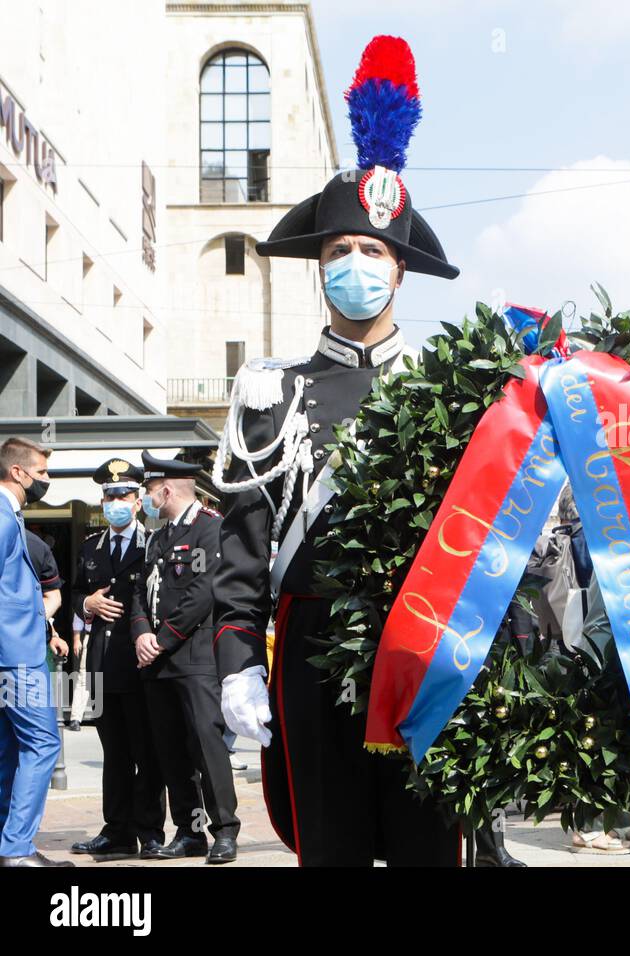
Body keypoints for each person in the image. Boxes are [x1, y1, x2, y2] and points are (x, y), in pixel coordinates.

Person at [212, 36, 462, 867]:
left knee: (428, 850)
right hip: (313, 656)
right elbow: (245, 556)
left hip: (425, 653)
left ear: (402, 271)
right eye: (338, 252)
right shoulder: (269, 392)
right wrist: (239, 665)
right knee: (331, 851)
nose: (355, 265)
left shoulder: (451, 389)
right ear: (319, 268)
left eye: (373, 251)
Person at [130, 451, 239, 864]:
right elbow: (140, 590)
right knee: (171, 752)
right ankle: (190, 832)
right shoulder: (158, 537)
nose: (147, 497)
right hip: (157, 662)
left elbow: (203, 592)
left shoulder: (211, 529)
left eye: (148, 490)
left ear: (166, 488)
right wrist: (141, 632)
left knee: (205, 747)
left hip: (193, 658)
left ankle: (224, 830)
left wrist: (161, 638)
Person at [69, 459, 166, 859]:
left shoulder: (154, 543)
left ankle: (151, 831)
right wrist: (86, 603)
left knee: (148, 752)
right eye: (110, 496)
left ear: (139, 500)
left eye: (123, 495)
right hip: (102, 665)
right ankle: (117, 830)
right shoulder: (92, 546)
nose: (116, 502)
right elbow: (73, 597)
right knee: (114, 754)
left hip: (140, 662)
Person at [0, 436, 72, 866]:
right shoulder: (5, 520)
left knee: (11, 747)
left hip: (13, 654)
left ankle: (8, 843)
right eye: (41, 473)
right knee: (43, 743)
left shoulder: (11, 515)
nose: (45, 480)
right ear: (18, 472)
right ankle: (17, 849)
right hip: (16, 657)